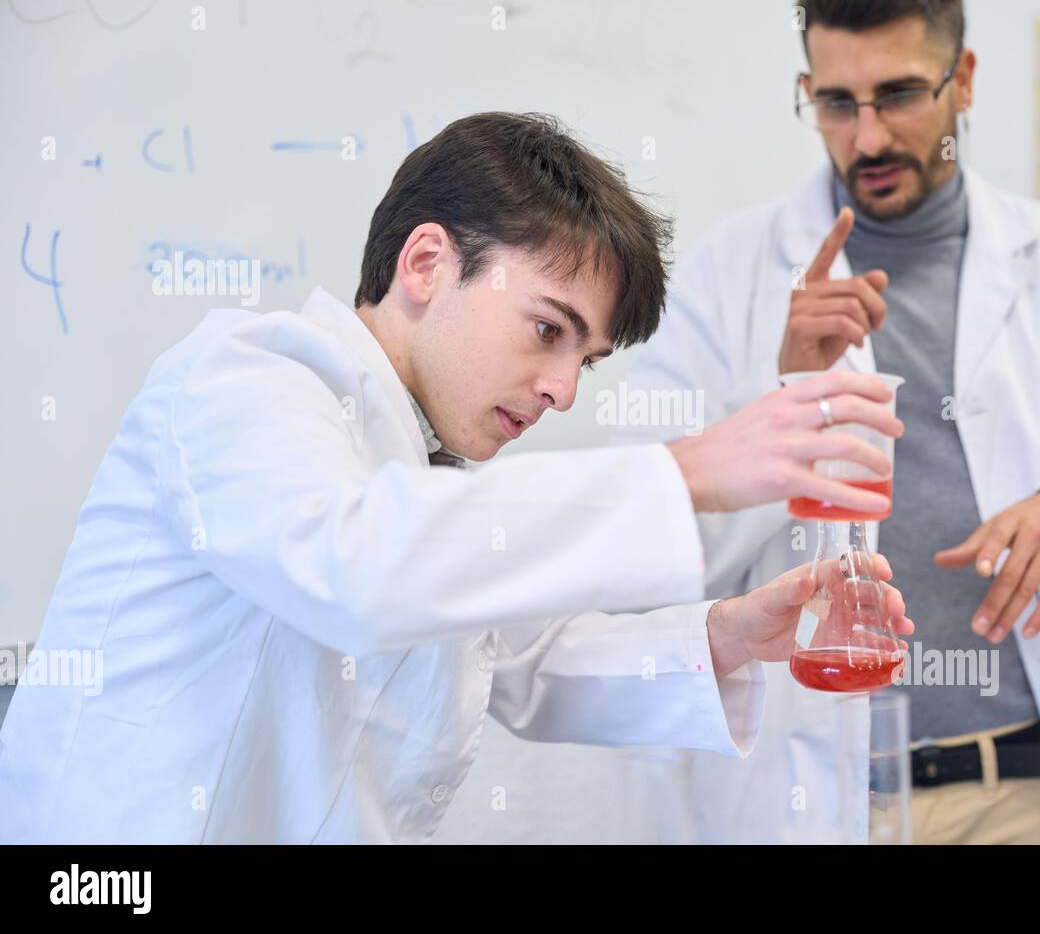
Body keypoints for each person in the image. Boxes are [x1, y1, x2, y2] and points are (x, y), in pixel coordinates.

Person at [0, 112, 908, 844]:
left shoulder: (421, 469)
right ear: (426, 263)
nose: (560, 389)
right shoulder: (244, 379)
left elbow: (525, 657)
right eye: (550, 329)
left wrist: (730, 635)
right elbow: (357, 567)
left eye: (585, 361)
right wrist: (687, 471)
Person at [612, 0, 1040, 844]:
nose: (867, 137)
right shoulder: (726, 277)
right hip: (815, 796)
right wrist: (785, 401)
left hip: (1025, 789)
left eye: (901, 95)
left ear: (966, 78)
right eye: (835, 102)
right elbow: (647, 542)